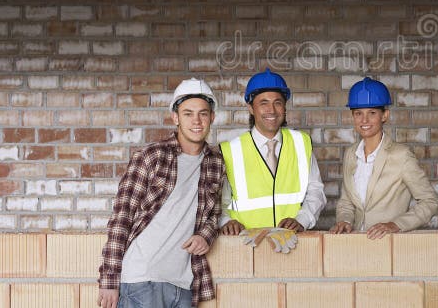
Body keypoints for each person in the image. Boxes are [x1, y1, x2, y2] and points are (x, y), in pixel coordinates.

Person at [98, 78, 225, 308]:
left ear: (212, 117)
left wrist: (205, 235)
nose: (196, 121)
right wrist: (109, 280)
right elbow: (121, 219)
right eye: (188, 113)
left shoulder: (215, 163)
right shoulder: (151, 157)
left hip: (184, 284)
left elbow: (214, 215)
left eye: (203, 114)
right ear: (175, 117)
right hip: (142, 280)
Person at [219, 68, 326, 235]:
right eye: (264, 103)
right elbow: (220, 203)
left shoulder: (301, 143)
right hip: (247, 247)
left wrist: (301, 220)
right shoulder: (230, 150)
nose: (272, 110)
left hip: (293, 244)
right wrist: (226, 221)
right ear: (251, 108)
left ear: (284, 107)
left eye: (277, 102)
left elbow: (316, 191)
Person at [330, 77, 438, 240]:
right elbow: (347, 202)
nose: (364, 120)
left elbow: (430, 201)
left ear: (384, 115)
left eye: (372, 113)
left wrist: (397, 224)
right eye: (358, 113)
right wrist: (344, 220)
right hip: (354, 245)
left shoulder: (401, 155)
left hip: (389, 246)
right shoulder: (351, 154)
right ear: (352, 116)